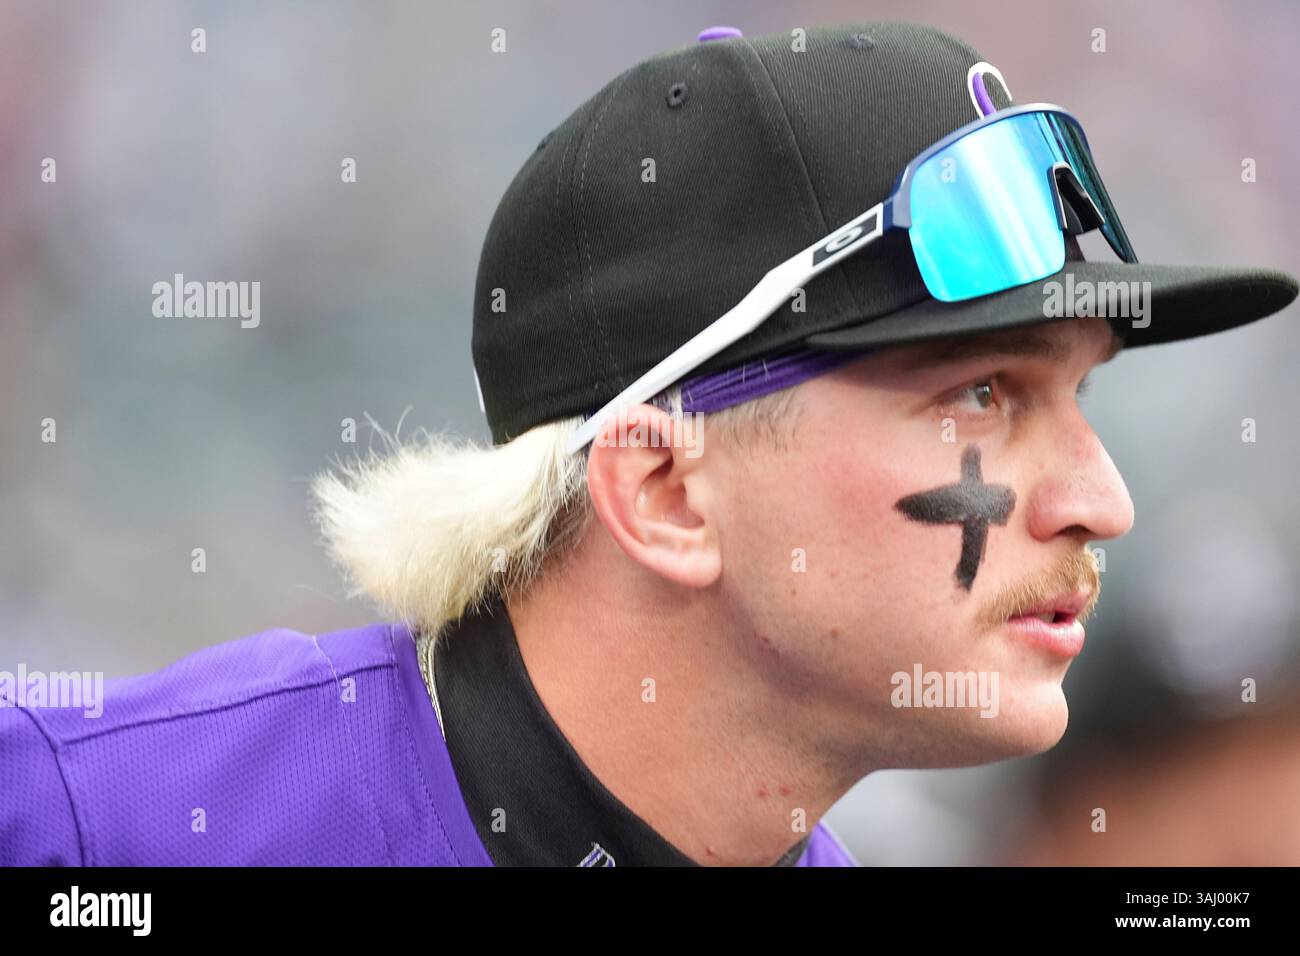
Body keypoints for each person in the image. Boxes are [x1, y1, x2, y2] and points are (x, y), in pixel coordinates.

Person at [2, 21, 1294, 867]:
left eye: (1084, 399)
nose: (1101, 501)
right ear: (667, 489)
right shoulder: (88, 823)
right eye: (982, 396)